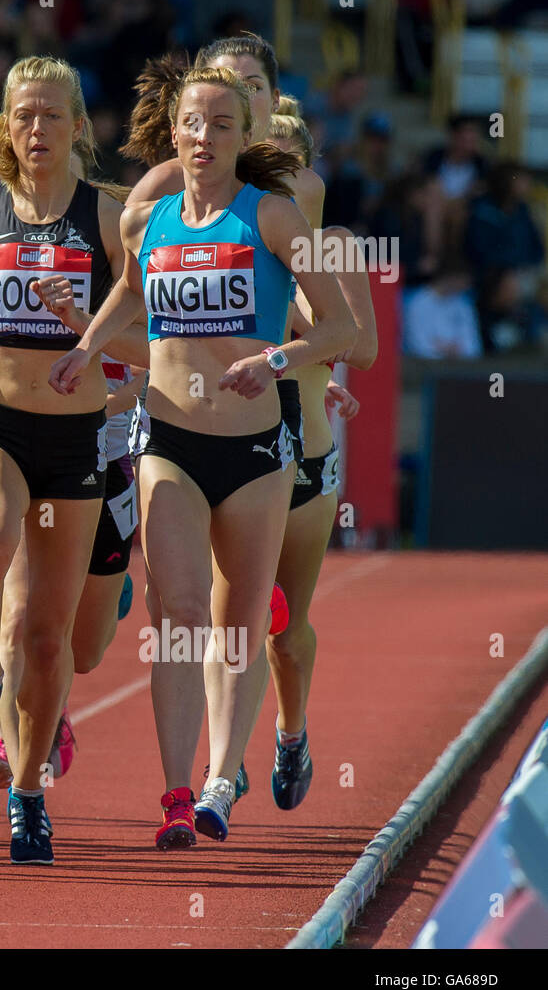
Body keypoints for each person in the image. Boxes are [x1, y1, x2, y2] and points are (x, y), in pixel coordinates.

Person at [53, 64, 354, 846]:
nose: (204, 137)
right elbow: (127, 294)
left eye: (223, 125)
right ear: (174, 131)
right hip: (170, 440)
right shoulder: (146, 219)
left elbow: (340, 328)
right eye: (193, 123)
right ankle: (181, 793)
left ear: (245, 136)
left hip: (256, 448)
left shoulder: (274, 217)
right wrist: (87, 347)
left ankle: (227, 776)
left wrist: (276, 362)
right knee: (181, 614)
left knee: (240, 625)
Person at [0, 57, 145, 863]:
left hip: (76, 440)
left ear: (77, 128)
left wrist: (88, 326)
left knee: (53, 636)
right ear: (4, 127)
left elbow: (151, 342)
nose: (37, 130)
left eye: (52, 116)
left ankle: (29, 794)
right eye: (23, 116)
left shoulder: (110, 219)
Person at [266, 107, 377, 809]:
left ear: (311, 174)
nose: (276, 179)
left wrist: (304, 323)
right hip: (235, 444)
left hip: (308, 451)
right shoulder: (234, 235)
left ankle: (291, 730)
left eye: (287, 165)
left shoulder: (333, 244)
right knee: (228, 615)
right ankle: (221, 768)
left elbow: (360, 347)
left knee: (285, 626)